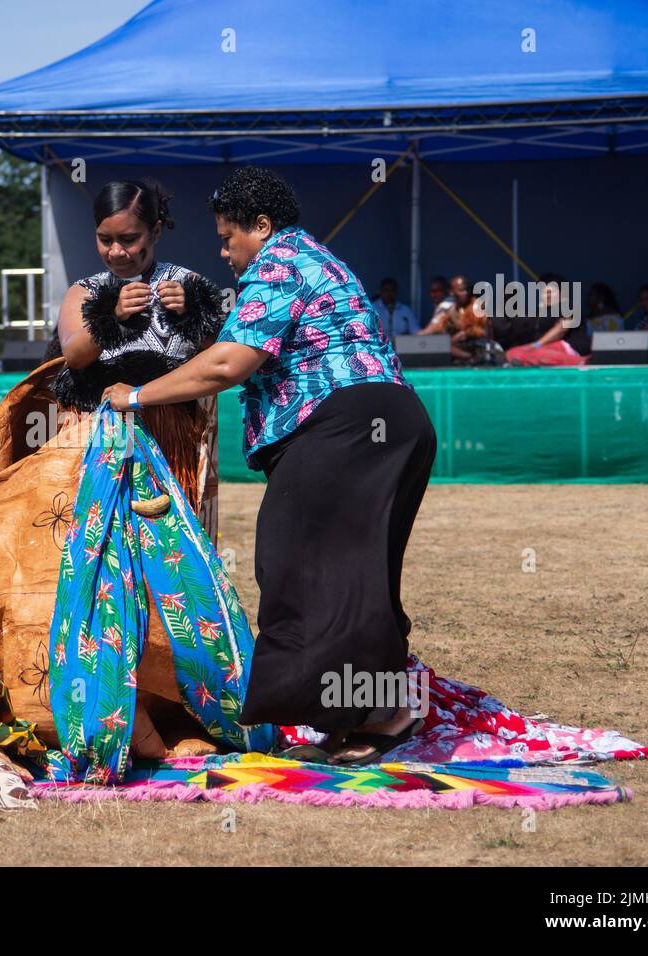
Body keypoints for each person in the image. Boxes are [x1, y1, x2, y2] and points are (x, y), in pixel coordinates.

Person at [0, 179, 241, 762]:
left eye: (130, 239)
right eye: (106, 240)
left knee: (167, 584)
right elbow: (74, 353)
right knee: (99, 577)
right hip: (93, 448)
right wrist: (108, 315)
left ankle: (165, 705)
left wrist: (199, 318)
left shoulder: (191, 286)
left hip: (173, 450)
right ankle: (110, 716)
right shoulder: (85, 291)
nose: (117, 252)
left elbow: (224, 358)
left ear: (155, 231)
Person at [102, 166, 436, 764]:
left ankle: (377, 710)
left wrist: (136, 395)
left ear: (262, 226)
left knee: (297, 564)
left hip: (346, 426)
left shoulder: (279, 263)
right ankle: (381, 709)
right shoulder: (319, 259)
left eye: (230, 238)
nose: (224, 251)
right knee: (360, 574)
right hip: (396, 421)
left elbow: (226, 365)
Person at [506, 274, 594, 366]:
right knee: (512, 353)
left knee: (536, 353)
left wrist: (535, 345)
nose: (547, 296)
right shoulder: (539, 313)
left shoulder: (567, 305)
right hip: (546, 349)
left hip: (570, 346)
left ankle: (581, 362)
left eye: (551, 292)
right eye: (544, 293)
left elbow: (561, 329)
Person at [418, 274, 489, 362]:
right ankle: (469, 358)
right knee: (438, 345)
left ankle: (472, 358)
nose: (466, 293)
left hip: (480, 347)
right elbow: (438, 328)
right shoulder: (451, 310)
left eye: (467, 289)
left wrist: (463, 334)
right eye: (461, 290)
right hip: (459, 349)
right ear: (452, 292)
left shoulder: (478, 306)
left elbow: (481, 332)